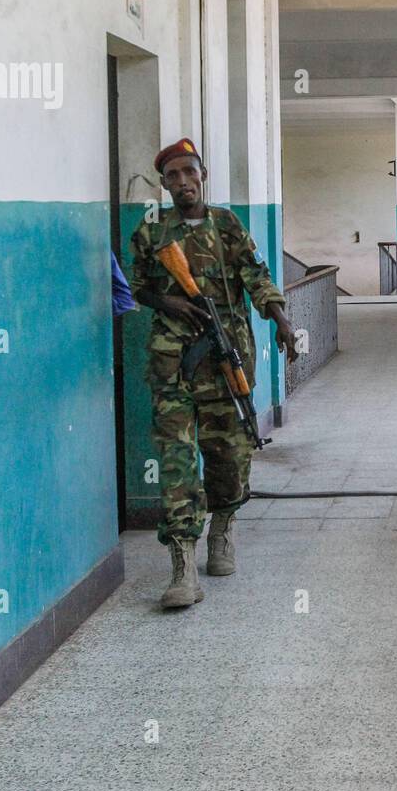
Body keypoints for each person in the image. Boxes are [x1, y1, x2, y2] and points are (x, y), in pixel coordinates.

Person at [130, 138, 299, 610]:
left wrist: (281, 320)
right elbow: (138, 287)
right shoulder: (152, 234)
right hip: (172, 362)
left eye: (190, 173)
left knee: (228, 452)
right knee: (176, 458)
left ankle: (222, 527)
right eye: (173, 177)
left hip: (225, 361)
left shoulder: (227, 224)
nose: (183, 183)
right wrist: (168, 301)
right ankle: (182, 562)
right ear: (164, 185)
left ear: (203, 175)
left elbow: (257, 275)